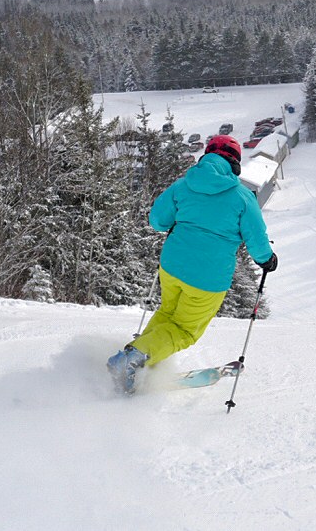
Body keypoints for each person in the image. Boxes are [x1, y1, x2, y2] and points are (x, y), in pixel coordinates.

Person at [107, 133, 277, 393]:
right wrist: (268, 260)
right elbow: (257, 240)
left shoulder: (184, 185)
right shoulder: (242, 197)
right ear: (235, 164)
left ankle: (140, 356)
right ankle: (133, 359)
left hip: (172, 267)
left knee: (167, 314)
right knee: (185, 330)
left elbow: (157, 221)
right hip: (206, 278)